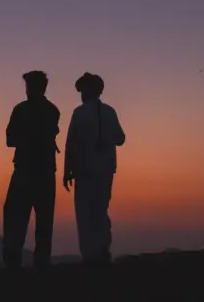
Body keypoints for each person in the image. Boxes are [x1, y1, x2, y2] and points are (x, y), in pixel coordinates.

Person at [63, 73, 126, 264]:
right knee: (100, 210)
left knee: (85, 213)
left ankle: (90, 255)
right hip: (105, 170)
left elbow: (70, 144)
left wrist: (67, 171)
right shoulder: (109, 111)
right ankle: (102, 250)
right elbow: (120, 139)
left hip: (84, 170)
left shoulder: (79, 113)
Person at [2, 70, 61, 269]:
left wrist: (25, 138)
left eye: (30, 86)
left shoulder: (24, 110)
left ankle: (15, 263)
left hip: (29, 172)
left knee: (18, 218)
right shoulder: (51, 111)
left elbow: (11, 138)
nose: (28, 90)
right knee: (38, 220)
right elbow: (11, 139)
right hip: (39, 172)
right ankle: (37, 264)